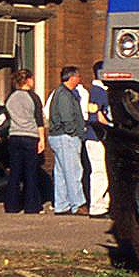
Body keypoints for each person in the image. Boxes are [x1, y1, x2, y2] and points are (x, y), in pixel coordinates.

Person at [3, 69, 46, 213]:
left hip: (14, 136)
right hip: (30, 136)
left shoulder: (10, 97)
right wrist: (42, 139)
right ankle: (31, 205)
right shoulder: (33, 97)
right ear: (27, 80)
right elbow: (39, 120)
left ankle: (11, 205)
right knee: (30, 172)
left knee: (15, 171)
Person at [46, 66, 87, 215]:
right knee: (73, 171)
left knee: (61, 172)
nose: (79, 79)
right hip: (66, 137)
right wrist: (74, 132)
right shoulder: (64, 94)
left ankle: (62, 204)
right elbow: (66, 116)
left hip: (59, 136)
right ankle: (78, 204)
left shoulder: (62, 93)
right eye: (78, 76)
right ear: (72, 77)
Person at [83, 61, 111, 218]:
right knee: (99, 171)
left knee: (104, 171)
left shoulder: (102, 91)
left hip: (99, 137)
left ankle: (104, 204)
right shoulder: (97, 91)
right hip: (96, 137)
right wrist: (110, 126)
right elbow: (96, 116)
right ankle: (97, 206)